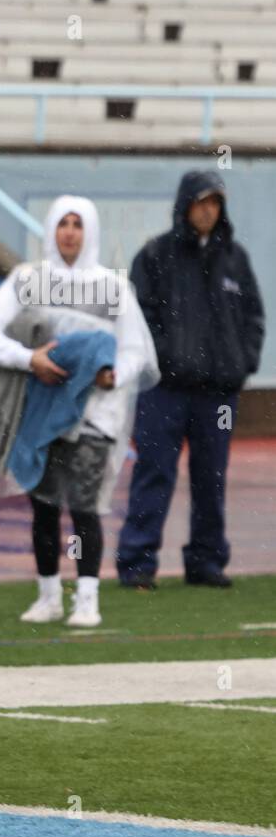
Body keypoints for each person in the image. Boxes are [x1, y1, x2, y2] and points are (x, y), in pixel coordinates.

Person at [0, 196, 159, 627]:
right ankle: (48, 595)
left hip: (95, 415)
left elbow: (136, 350)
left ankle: (87, 598)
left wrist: (112, 375)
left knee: (85, 506)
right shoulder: (29, 280)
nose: (70, 232)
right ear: (51, 230)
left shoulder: (112, 287)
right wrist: (28, 358)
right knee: (44, 506)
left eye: (77, 224)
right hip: (43, 413)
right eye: (62, 223)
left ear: (89, 231)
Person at [117, 171, 265, 590]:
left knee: (211, 477)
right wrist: (167, 360)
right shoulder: (155, 255)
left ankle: (206, 561)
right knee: (154, 472)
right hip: (164, 391)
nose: (208, 210)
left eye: (215, 203)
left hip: (217, 396)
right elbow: (140, 316)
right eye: (201, 202)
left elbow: (253, 317)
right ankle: (138, 562)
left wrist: (241, 363)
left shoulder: (235, 258)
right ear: (185, 205)